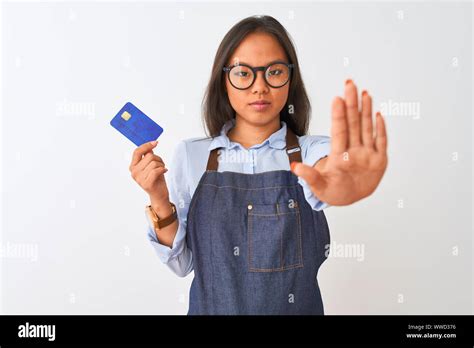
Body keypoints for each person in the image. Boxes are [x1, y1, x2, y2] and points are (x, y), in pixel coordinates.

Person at [129, 15, 388, 315]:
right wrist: (159, 199)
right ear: (223, 80)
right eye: (243, 73)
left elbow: (330, 167)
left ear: (290, 79)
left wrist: (342, 175)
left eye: (274, 72)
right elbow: (182, 264)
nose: (260, 87)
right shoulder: (191, 155)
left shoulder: (310, 151)